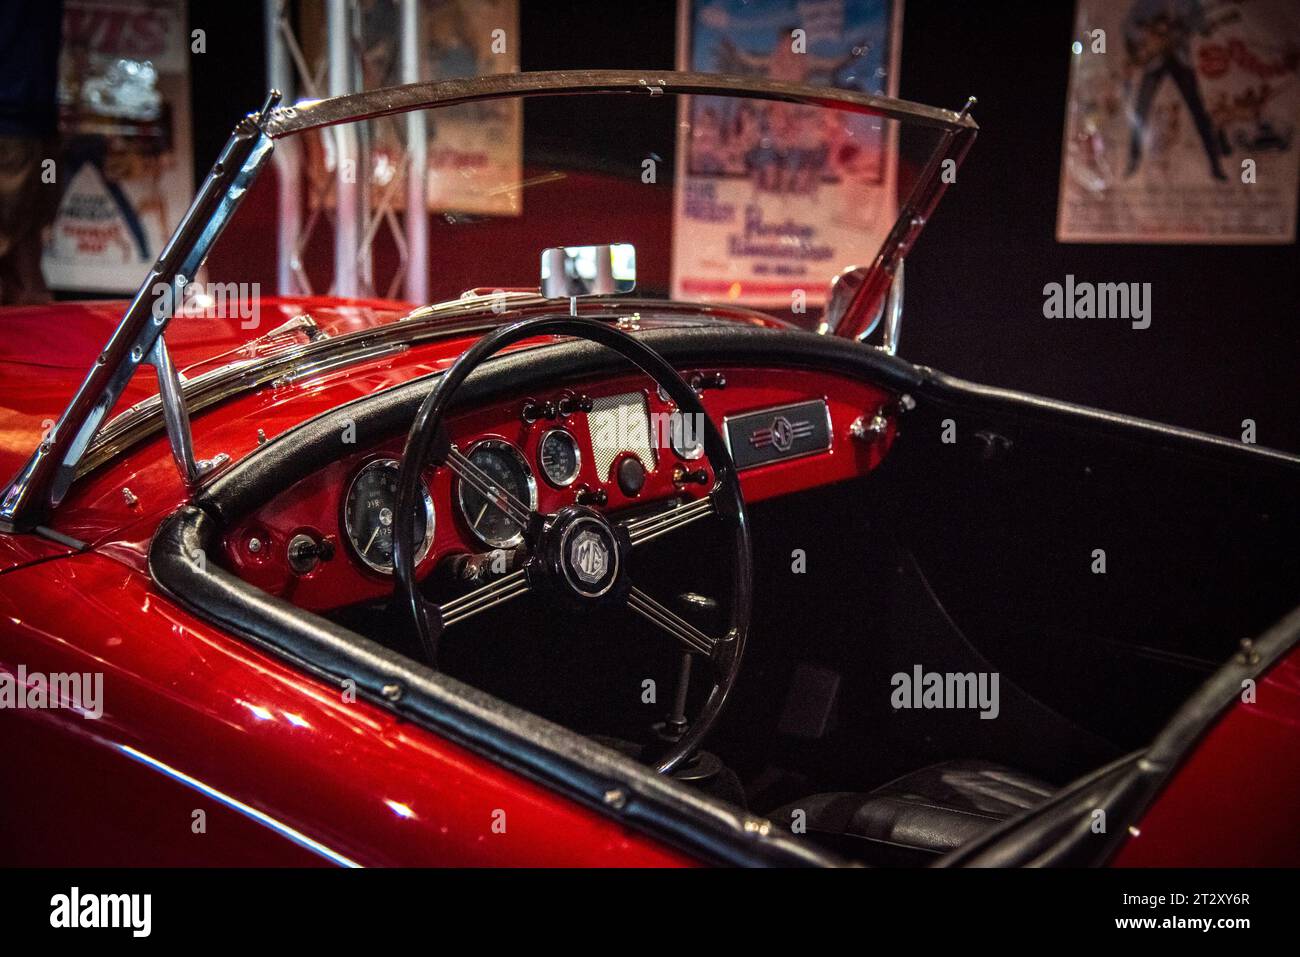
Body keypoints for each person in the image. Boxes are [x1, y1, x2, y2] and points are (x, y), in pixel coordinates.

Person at [1123, 0, 1228, 181]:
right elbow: (1128, 26)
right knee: (1141, 110)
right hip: (1154, 60)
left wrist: (1207, 27)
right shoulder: (1146, 4)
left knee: (1199, 112)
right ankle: (1133, 161)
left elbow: (1202, 27)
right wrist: (1150, 35)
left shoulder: (1191, 5)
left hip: (1180, 59)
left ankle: (1215, 165)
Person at [0, 0, 63, 304]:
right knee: (18, 258)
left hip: (31, 121)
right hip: (14, 117)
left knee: (25, 261)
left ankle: (35, 342)